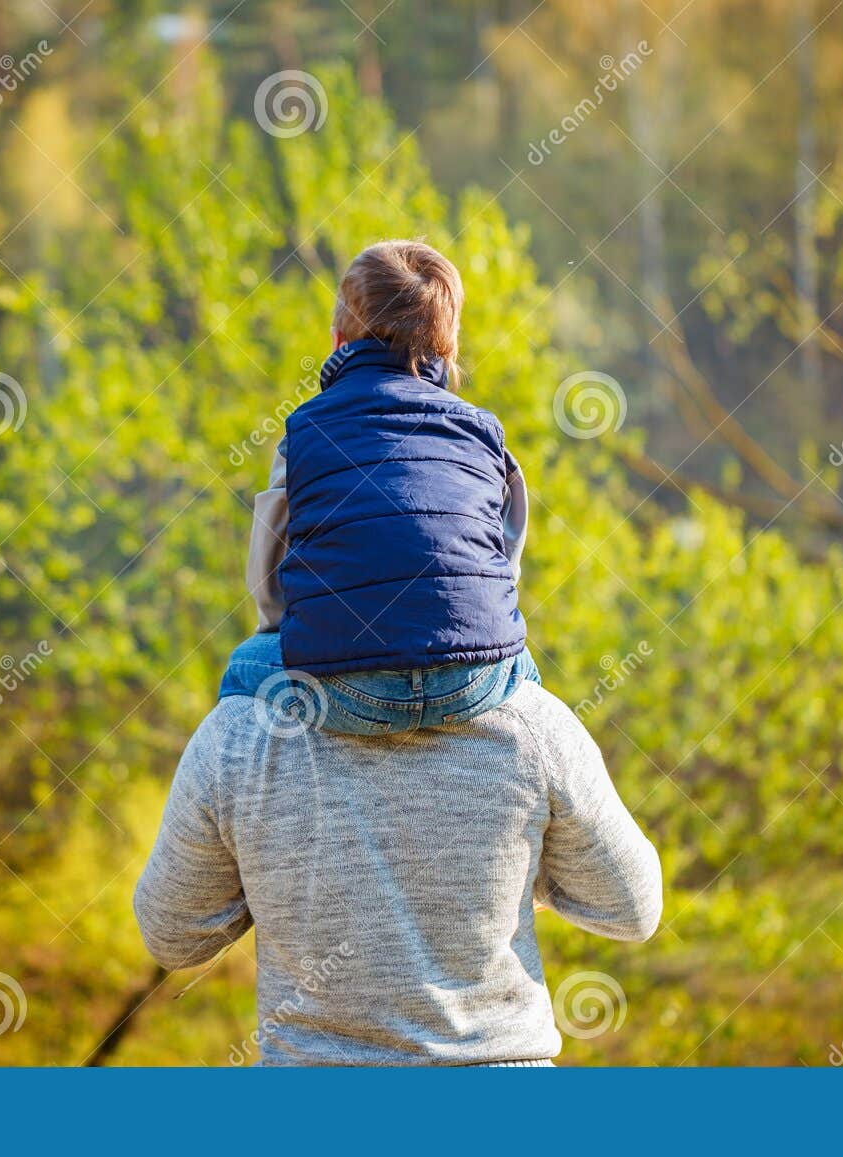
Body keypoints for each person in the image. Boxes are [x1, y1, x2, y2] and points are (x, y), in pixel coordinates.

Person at [132, 681, 663, 1065]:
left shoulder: (239, 733)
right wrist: (527, 867)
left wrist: (268, 868)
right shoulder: (532, 722)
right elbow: (632, 908)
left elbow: (172, 935)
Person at [218, 239, 540, 735]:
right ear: (448, 349)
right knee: (526, 670)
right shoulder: (483, 434)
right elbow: (503, 568)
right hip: (470, 681)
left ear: (336, 341)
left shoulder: (303, 433)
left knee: (242, 666)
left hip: (343, 691)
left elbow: (269, 588)